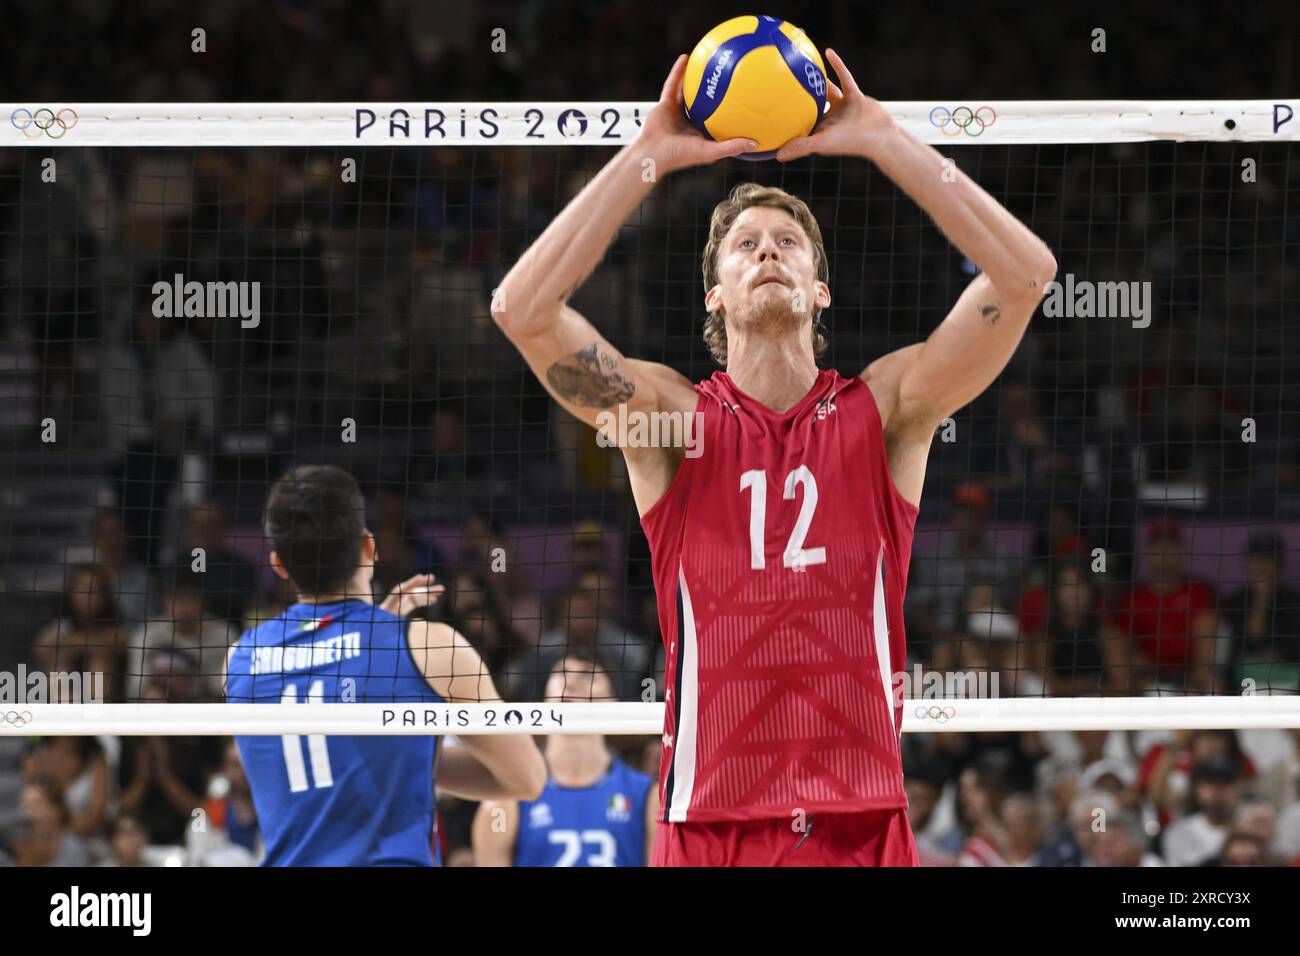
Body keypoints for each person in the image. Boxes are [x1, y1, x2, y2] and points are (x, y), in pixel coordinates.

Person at [490, 49, 1056, 866]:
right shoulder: (673, 423)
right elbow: (522, 309)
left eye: (788, 241)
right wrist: (649, 156)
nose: (767, 252)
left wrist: (883, 139)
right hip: (711, 818)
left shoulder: (890, 410)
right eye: (745, 244)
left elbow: (1027, 273)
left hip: (857, 817)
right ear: (714, 295)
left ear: (820, 288)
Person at [226, 464, 546, 866]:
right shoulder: (431, 649)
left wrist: (378, 635)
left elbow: (328, 726)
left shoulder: (239, 658)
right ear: (367, 547)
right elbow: (527, 779)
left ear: (278, 564)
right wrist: (389, 644)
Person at [472, 651, 657, 866]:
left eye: (588, 675)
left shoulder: (647, 797)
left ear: (612, 702)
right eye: (562, 673)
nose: (571, 683)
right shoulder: (503, 802)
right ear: (545, 697)